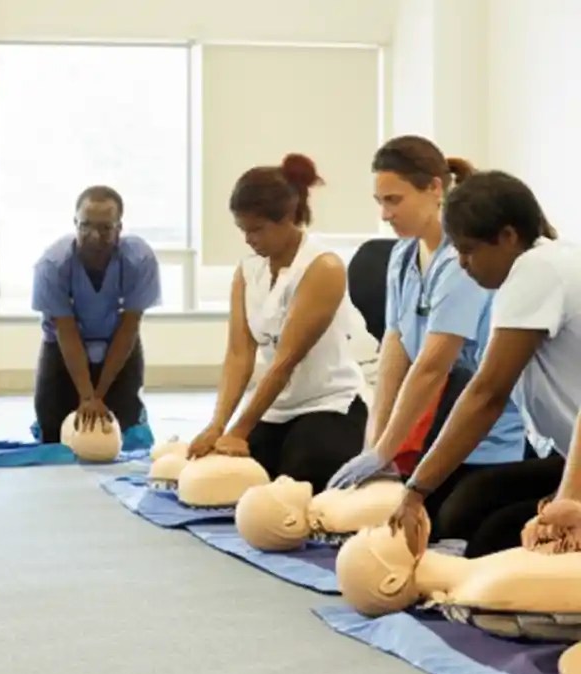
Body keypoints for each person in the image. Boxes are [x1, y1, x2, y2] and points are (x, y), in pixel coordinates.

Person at [327, 137, 526, 531]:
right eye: (379, 201)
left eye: (394, 200)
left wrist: (387, 450)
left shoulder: (463, 259)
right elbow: (395, 348)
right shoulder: (402, 257)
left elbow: (433, 366)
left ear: (435, 189)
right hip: (430, 423)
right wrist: (375, 443)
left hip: (482, 437)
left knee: (446, 523)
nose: (385, 213)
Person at [388, 170, 574, 558]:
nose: (462, 263)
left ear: (508, 237)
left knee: (492, 540)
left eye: (469, 250)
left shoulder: (536, 270)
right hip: (568, 456)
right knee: (469, 507)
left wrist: (415, 490)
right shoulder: (544, 263)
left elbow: (487, 394)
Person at [187, 154, 368, 491]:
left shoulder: (322, 267)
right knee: (231, 480)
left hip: (328, 405)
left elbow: (285, 361)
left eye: (256, 229)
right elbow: (239, 354)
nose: (248, 239)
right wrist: (218, 425)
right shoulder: (247, 271)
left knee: (296, 479)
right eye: (242, 230)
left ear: (288, 218)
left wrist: (240, 431)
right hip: (276, 409)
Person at [31, 185, 160, 443]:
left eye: (105, 228)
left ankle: (133, 411)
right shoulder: (53, 265)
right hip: (64, 345)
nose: (94, 236)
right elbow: (66, 332)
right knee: (53, 427)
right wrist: (87, 397)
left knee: (121, 424)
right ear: (74, 224)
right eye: (86, 226)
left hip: (117, 343)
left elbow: (129, 328)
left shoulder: (139, 260)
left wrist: (99, 396)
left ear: (119, 228)